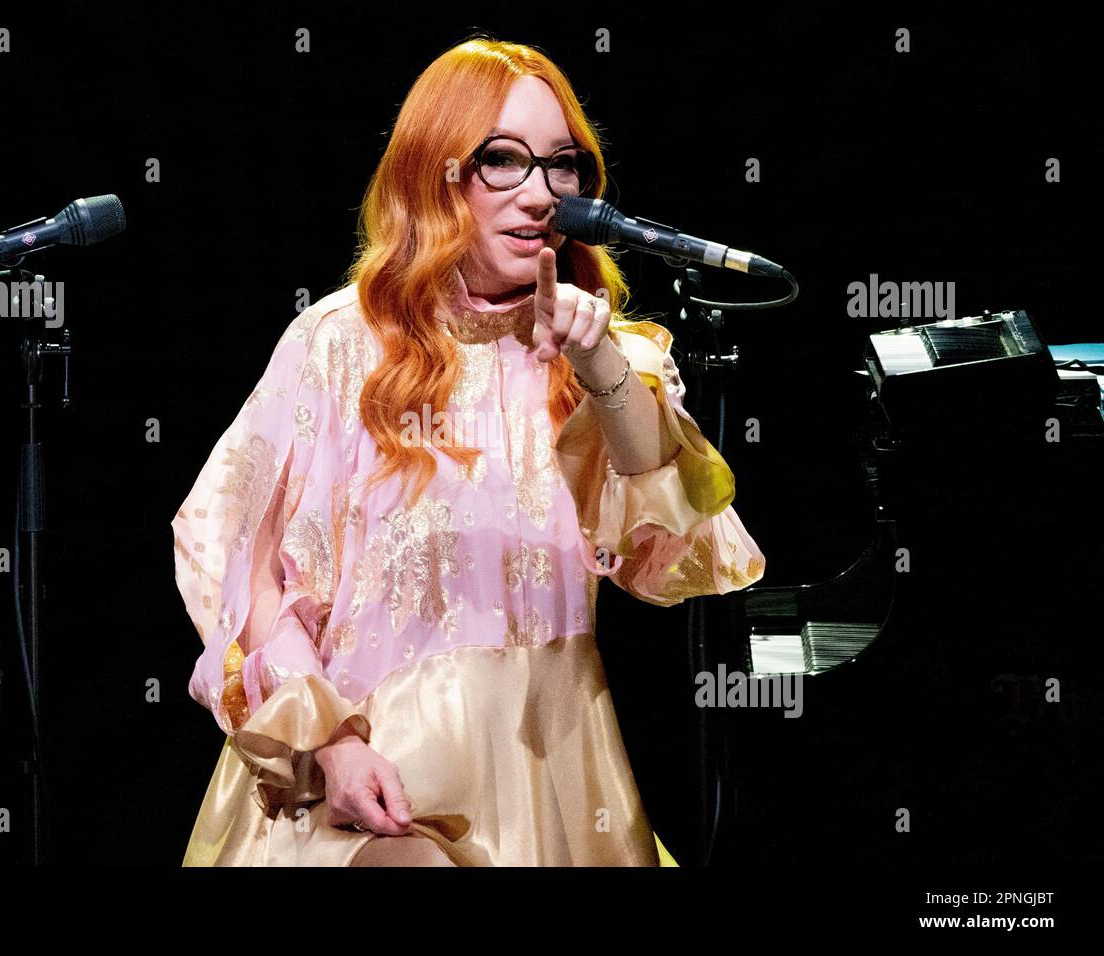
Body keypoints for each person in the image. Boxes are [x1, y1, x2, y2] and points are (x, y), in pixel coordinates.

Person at [171, 37, 765, 867]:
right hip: (368, 778)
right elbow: (238, 558)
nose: (541, 194)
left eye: (564, 167)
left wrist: (603, 377)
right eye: (504, 162)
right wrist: (330, 741)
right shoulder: (338, 343)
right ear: (435, 173)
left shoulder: (611, 362)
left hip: (555, 781)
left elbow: (677, 561)